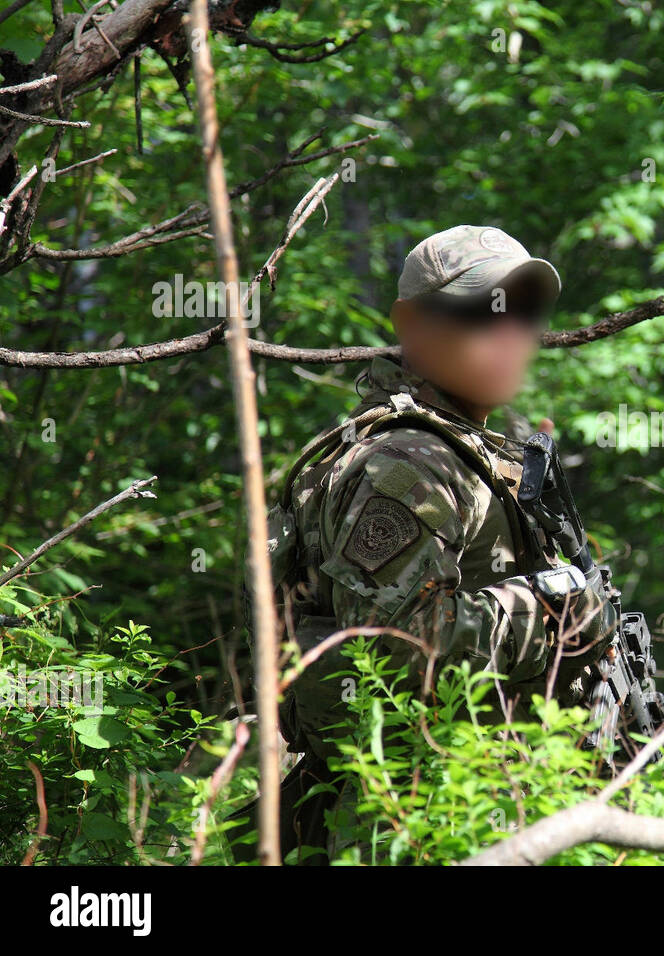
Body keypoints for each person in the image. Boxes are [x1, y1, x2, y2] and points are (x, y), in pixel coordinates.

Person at [234, 224, 618, 863]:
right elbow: (400, 648)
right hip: (415, 814)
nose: (508, 332)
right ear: (411, 324)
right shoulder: (408, 466)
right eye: (479, 310)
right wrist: (557, 615)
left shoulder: (470, 452)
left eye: (524, 312)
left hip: (482, 799)